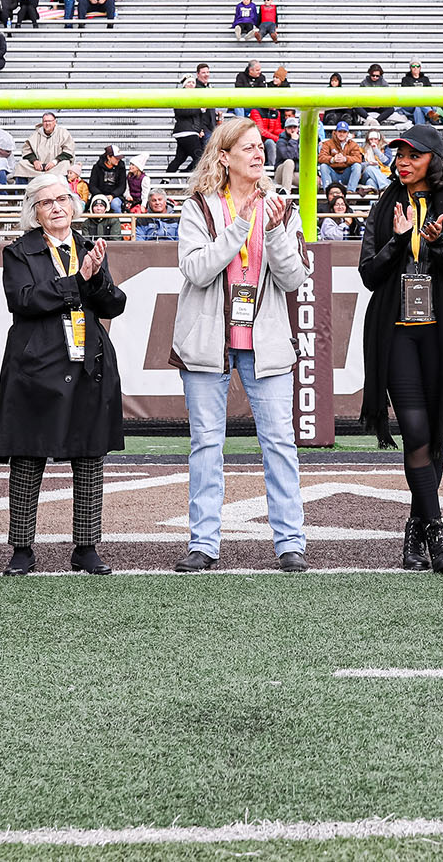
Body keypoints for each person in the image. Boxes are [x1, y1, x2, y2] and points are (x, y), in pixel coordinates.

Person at [171, 119, 309, 572]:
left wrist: (272, 230)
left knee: (279, 443)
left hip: (264, 341)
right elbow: (196, 270)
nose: (258, 154)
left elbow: (293, 278)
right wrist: (241, 225)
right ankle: (203, 543)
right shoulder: (198, 207)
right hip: (208, 342)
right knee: (206, 445)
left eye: (260, 146)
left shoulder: (282, 205)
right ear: (224, 156)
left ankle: (290, 543)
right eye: (247, 147)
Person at [0, 173, 129, 576]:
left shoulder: (89, 247)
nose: (56, 207)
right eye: (46, 202)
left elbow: (113, 304)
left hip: (88, 363)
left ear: (74, 204)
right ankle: (22, 548)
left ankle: (86, 547)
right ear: (33, 212)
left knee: (89, 456)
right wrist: (77, 281)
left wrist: (97, 278)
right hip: (35, 365)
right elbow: (23, 300)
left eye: (62, 199)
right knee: (28, 456)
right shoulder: (18, 251)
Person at [357, 123, 443, 573]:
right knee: (416, 432)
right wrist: (396, 239)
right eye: (400, 154)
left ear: (434, 160)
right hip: (395, 330)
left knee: (435, 435)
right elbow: (369, 274)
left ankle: (415, 527)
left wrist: (436, 242)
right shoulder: (383, 205)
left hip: (442, 330)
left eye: (414, 154)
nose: (403, 162)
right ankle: (437, 531)